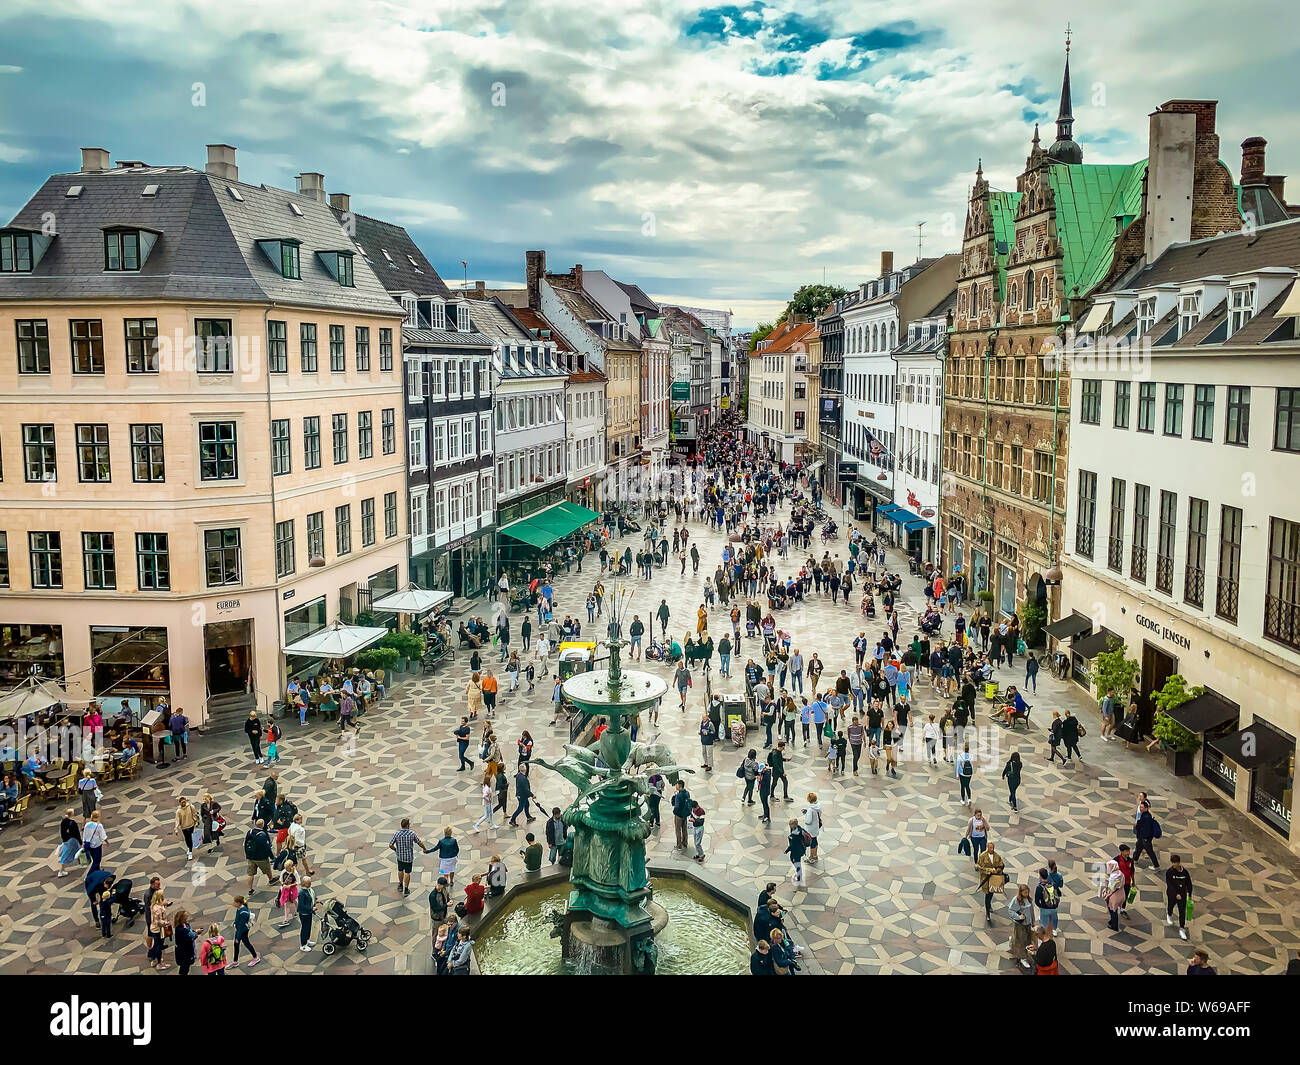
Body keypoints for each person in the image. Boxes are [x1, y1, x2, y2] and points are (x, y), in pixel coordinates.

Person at [389, 817, 429, 896]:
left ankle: (400, 885)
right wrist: (424, 848)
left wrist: (396, 850)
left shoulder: (397, 834)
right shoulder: (411, 833)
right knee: (407, 872)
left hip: (400, 856)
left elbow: (390, 845)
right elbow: (419, 842)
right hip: (408, 857)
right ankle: (406, 889)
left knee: (400, 870)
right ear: (407, 825)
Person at [976, 841, 1005, 924]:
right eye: (990, 847)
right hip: (985, 879)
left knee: (991, 894)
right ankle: (987, 911)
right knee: (987, 895)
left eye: (992, 847)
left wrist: (997, 870)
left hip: (994, 879)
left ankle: (989, 906)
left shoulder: (997, 856)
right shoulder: (982, 856)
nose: (991, 849)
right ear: (987, 847)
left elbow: (1001, 865)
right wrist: (989, 870)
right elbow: (979, 868)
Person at [1166, 854, 1193, 940]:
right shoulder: (1169, 872)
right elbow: (1169, 885)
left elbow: (1189, 883)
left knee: (1182, 912)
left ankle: (1182, 929)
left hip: (1183, 895)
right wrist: (1175, 894)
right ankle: (1169, 914)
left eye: (1175, 863)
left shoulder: (1185, 872)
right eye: (1173, 863)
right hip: (1172, 894)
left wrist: (1190, 894)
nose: (1174, 864)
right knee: (1171, 906)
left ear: (1179, 862)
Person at [1008, 884, 1035, 969]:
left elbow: (1031, 911)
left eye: (1027, 892)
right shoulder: (1016, 900)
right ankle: (1023, 957)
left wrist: (1033, 922)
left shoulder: (1028, 900)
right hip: (1020, 924)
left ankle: (1012, 943)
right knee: (1022, 940)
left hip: (1028, 923)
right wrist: (1019, 917)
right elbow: (1011, 910)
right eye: (1025, 892)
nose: (1027, 894)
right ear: (1021, 892)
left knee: (1026, 938)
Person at [230, 895, 260, 968]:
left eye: (234, 902)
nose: (233, 903)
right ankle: (235, 961)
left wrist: (238, 937)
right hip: (239, 929)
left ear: (238, 903)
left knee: (246, 944)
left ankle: (256, 958)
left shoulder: (243, 912)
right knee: (236, 945)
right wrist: (235, 922)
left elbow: (241, 926)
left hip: (243, 931)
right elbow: (238, 919)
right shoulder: (239, 908)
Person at [1101, 859, 1126, 932]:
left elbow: (1112, 887)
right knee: (1115, 909)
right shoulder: (1120, 873)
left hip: (1114, 896)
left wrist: (1107, 882)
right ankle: (1112, 922)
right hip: (1121, 893)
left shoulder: (1113, 877)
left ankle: (1114, 925)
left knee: (1112, 910)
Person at [1135, 801, 1161, 870]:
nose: (1140, 809)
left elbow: (1146, 829)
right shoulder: (1144, 814)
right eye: (1140, 807)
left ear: (1146, 808)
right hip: (1142, 837)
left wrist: (1145, 837)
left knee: (1150, 851)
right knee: (1138, 847)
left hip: (1145, 837)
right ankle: (1135, 859)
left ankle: (1156, 866)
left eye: (1142, 807)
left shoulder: (1147, 817)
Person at [1035, 867, 1061, 935]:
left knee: (1043, 923)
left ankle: (1044, 934)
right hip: (1054, 907)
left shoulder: (1039, 887)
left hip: (1044, 908)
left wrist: (1042, 907)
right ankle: (1054, 930)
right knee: (1054, 918)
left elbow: (1037, 901)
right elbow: (1059, 894)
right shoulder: (1053, 884)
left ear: (1040, 876)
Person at [56, 808, 82, 877]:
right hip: (72, 840)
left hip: (65, 840)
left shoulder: (63, 821)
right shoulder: (73, 823)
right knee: (65, 855)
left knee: (65, 853)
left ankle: (62, 870)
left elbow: (62, 831)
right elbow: (77, 834)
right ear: (72, 814)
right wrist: (80, 842)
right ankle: (60, 871)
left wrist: (63, 839)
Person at [174, 796, 200, 861]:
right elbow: (177, 820)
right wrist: (176, 828)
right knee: (186, 839)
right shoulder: (178, 811)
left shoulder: (191, 807)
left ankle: (190, 852)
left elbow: (194, 815)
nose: (184, 803)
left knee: (190, 838)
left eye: (184, 802)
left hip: (191, 825)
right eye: (182, 802)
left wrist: (196, 822)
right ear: (179, 803)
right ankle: (189, 847)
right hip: (184, 827)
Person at [297, 876, 318, 951]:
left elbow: (311, 896)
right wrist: (311, 908)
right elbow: (302, 906)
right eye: (309, 883)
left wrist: (315, 900)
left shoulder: (308, 890)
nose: (310, 884)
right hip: (304, 914)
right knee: (304, 928)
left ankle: (307, 940)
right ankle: (303, 945)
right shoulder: (302, 893)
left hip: (308, 913)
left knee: (308, 927)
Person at [800, 793, 823, 864]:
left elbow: (808, 821)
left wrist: (806, 815)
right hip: (816, 827)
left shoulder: (810, 809)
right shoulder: (818, 806)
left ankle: (811, 857)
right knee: (815, 841)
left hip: (811, 829)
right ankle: (815, 855)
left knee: (811, 842)